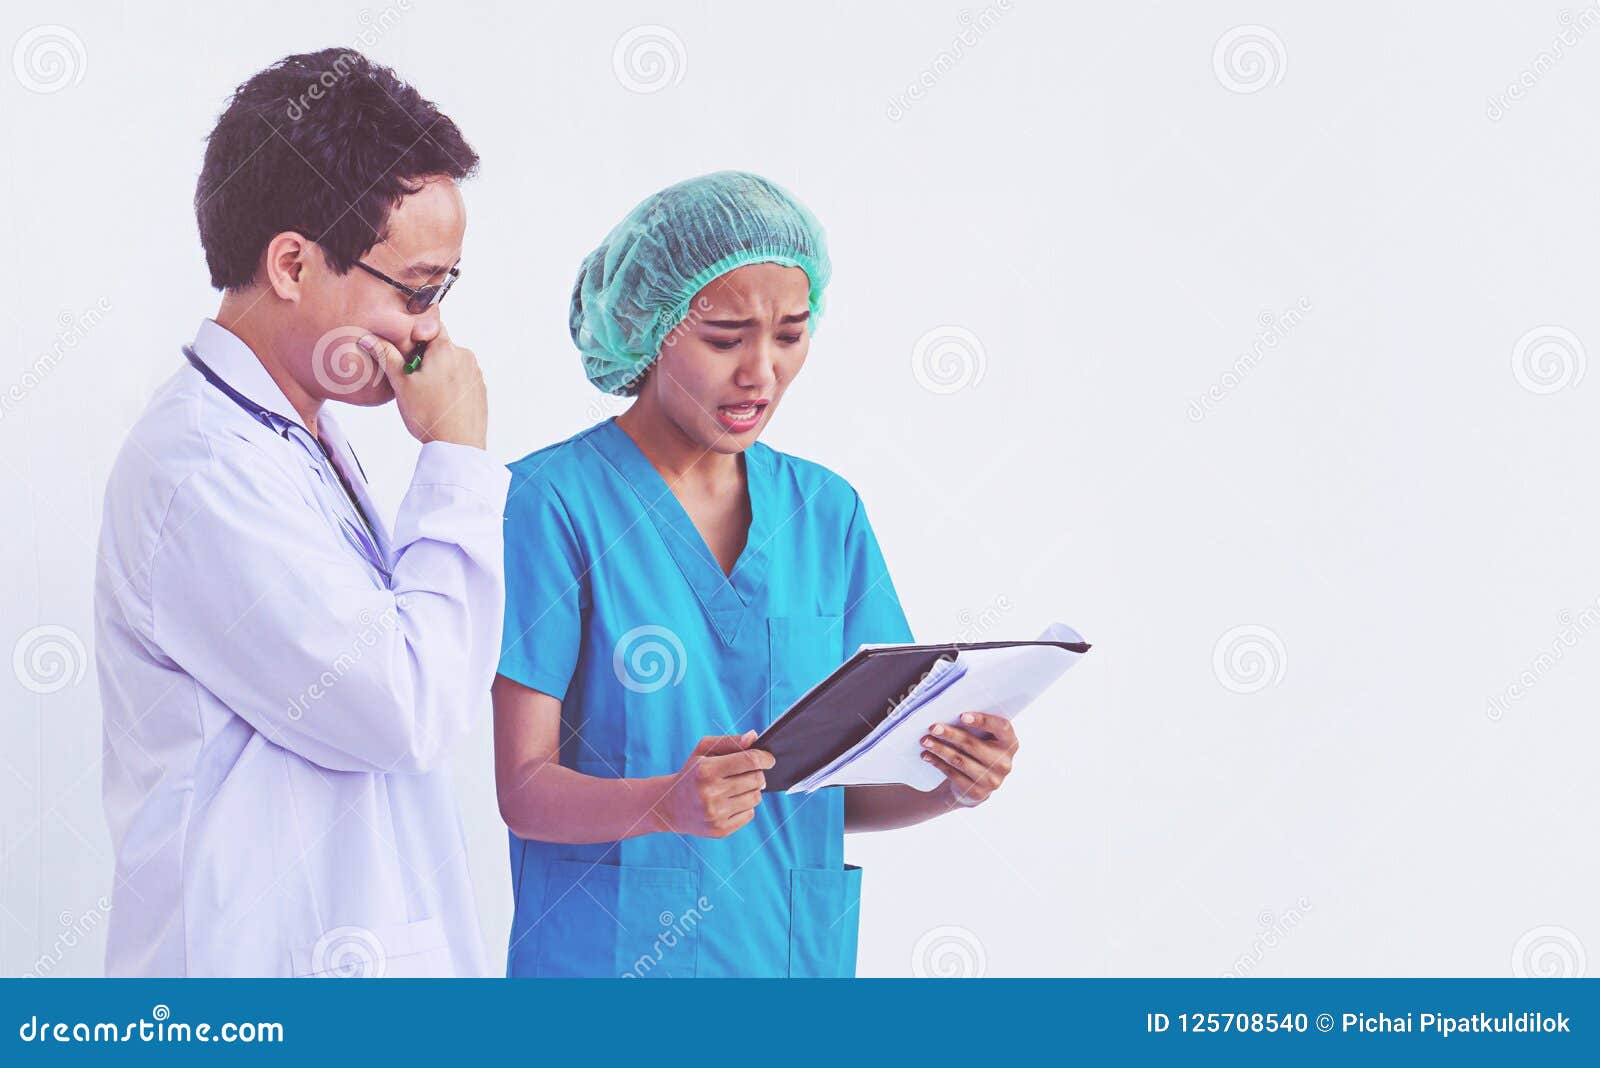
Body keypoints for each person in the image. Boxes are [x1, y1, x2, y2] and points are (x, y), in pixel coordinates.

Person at [492, 171, 1022, 978]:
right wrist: (663, 804)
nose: (761, 374)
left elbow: (839, 790)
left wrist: (949, 784)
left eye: (790, 334)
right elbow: (523, 788)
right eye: (725, 336)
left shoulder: (826, 512)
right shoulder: (552, 502)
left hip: (791, 967)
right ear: (653, 325)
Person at [94, 48, 506, 977]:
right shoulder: (202, 471)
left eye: (445, 291)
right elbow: (404, 707)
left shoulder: (294, 441)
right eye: (418, 288)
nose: (431, 328)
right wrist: (456, 460)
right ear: (292, 262)